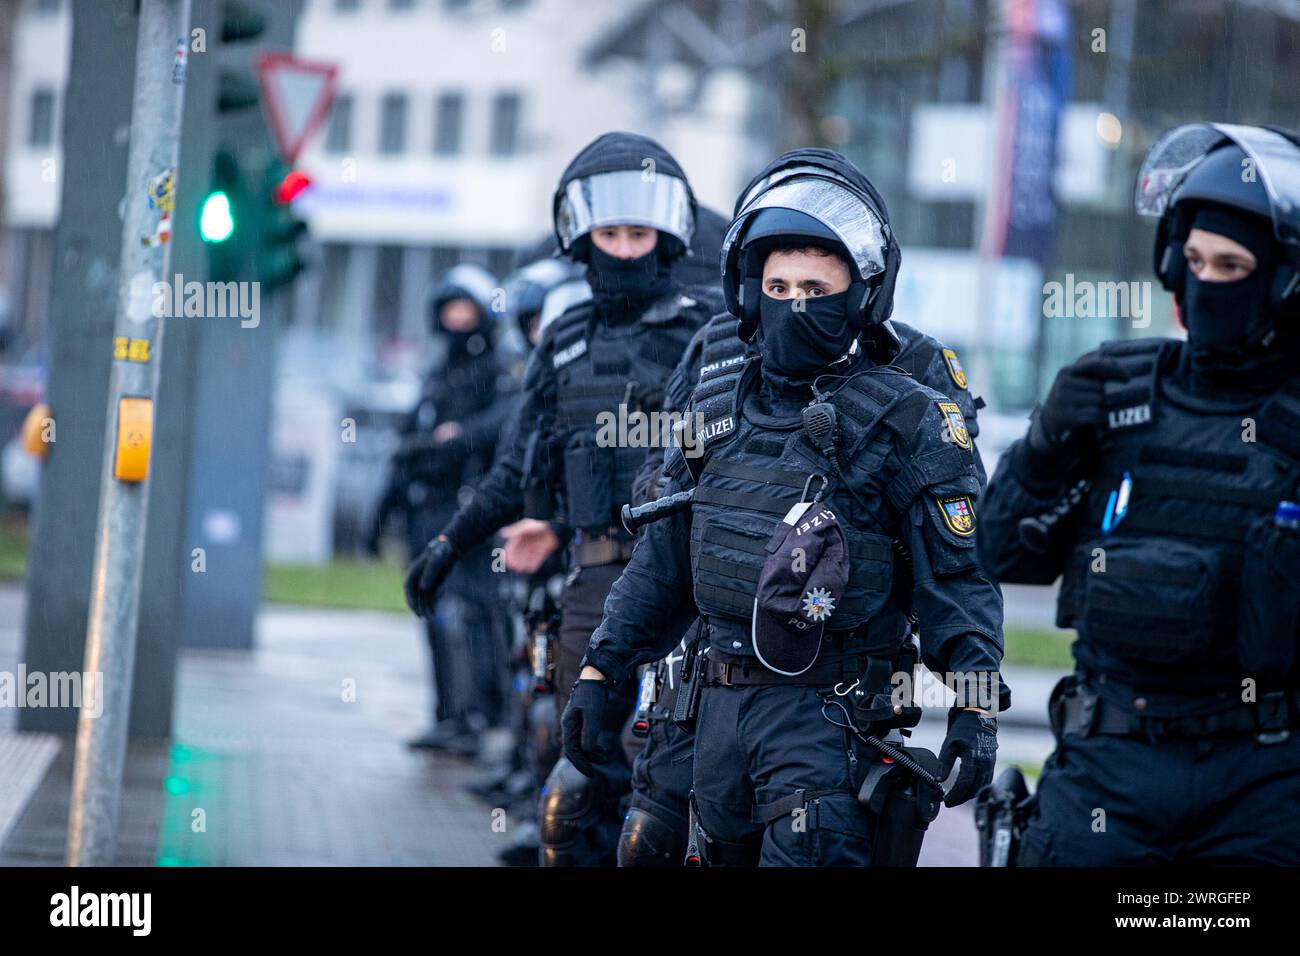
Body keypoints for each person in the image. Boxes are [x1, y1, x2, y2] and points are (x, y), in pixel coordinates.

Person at [563, 148, 1008, 866]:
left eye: (815, 286)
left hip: (826, 728)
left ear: (862, 294)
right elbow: (664, 563)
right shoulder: (716, 403)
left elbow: (957, 586)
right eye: (777, 285)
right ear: (748, 292)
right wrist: (600, 673)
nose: (794, 304)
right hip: (706, 718)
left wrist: (976, 709)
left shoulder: (907, 419)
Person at [978, 123, 1300, 866]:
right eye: (1191, 260)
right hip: (1107, 771)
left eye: (1232, 264)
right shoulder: (1113, 392)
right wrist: (1047, 441)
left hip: (1262, 783)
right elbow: (998, 551)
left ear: (1285, 280)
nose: (1203, 283)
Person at [405, 132, 715, 865]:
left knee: (670, 791)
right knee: (577, 779)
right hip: (594, 581)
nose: (625, 248)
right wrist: (451, 542)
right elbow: (517, 463)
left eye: (639, 233)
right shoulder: (566, 336)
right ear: (582, 237)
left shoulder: (711, 334)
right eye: (610, 233)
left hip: (688, 589)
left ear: (667, 237)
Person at [382, 263, 517, 755]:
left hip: (470, 520)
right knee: (434, 616)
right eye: (450, 310)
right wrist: (384, 512)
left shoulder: (500, 374)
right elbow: (406, 448)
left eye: (468, 310)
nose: (458, 320)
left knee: (469, 616)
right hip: (425, 516)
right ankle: (447, 716)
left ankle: (477, 717)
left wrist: (452, 441)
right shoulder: (436, 375)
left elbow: (491, 432)